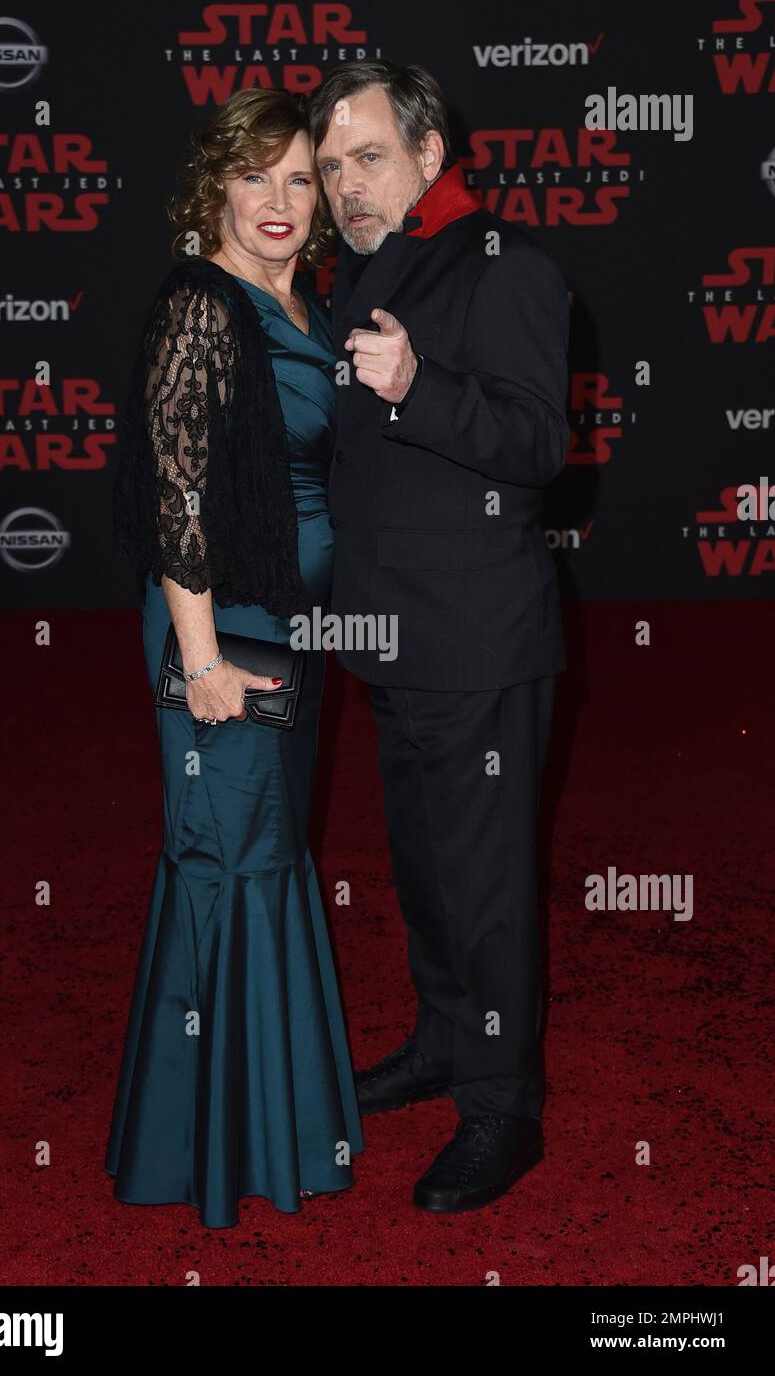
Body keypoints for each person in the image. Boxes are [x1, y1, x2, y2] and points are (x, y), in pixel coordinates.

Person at [307, 61, 569, 1213]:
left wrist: (417, 387)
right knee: (422, 867)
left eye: (367, 157)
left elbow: (535, 444)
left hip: (477, 639)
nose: (347, 184)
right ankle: (439, 1039)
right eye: (329, 168)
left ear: (427, 149)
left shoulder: (508, 265)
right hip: (392, 637)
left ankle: (502, 1106)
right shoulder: (361, 270)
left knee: (485, 886)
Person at [107, 88, 363, 1229]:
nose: (277, 199)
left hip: (291, 627)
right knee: (225, 858)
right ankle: (207, 1146)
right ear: (214, 184)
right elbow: (176, 496)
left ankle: (271, 1122)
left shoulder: (308, 302)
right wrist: (202, 661)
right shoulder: (202, 307)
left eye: (299, 178)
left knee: (266, 855)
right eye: (254, 174)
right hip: (226, 635)